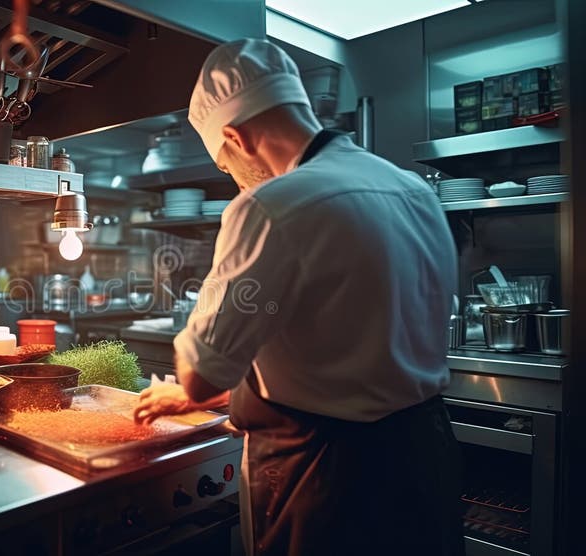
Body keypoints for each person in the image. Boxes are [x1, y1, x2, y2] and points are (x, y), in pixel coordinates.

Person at [133, 39, 464, 556]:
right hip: (425, 460)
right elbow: (341, 367)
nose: (233, 180)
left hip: (331, 483)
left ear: (235, 137)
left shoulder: (271, 206)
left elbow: (200, 375)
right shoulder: (413, 190)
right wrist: (195, 397)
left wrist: (199, 340)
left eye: (225, 165)